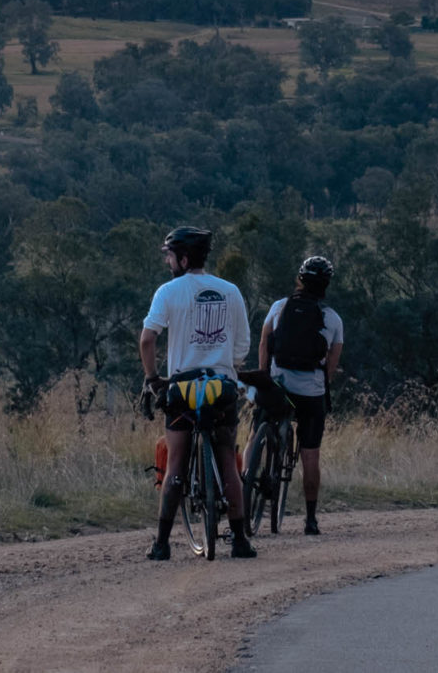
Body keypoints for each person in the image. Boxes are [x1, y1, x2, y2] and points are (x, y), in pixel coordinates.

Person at [140, 224, 255, 560]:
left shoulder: (169, 292)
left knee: (176, 463)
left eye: (170, 256)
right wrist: (227, 364)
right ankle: (240, 540)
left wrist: (152, 378)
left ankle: (161, 545)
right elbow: (242, 345)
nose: (168, 263)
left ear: (184, 258)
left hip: (183, 387)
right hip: (221, 386)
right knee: (226, 461)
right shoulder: (231, 291)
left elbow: (148, 339)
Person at [258, 255, 345, 536]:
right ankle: (310, 519)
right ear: (327, 285)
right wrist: (318, 383)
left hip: (278, 385)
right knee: (310, 455)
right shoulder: (333, 319)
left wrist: (264, 377)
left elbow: (264, 342)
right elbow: (331, 366)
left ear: (300, 279)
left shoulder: (279, 307)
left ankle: (251, 473)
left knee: (255, 429)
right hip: (311, 394)